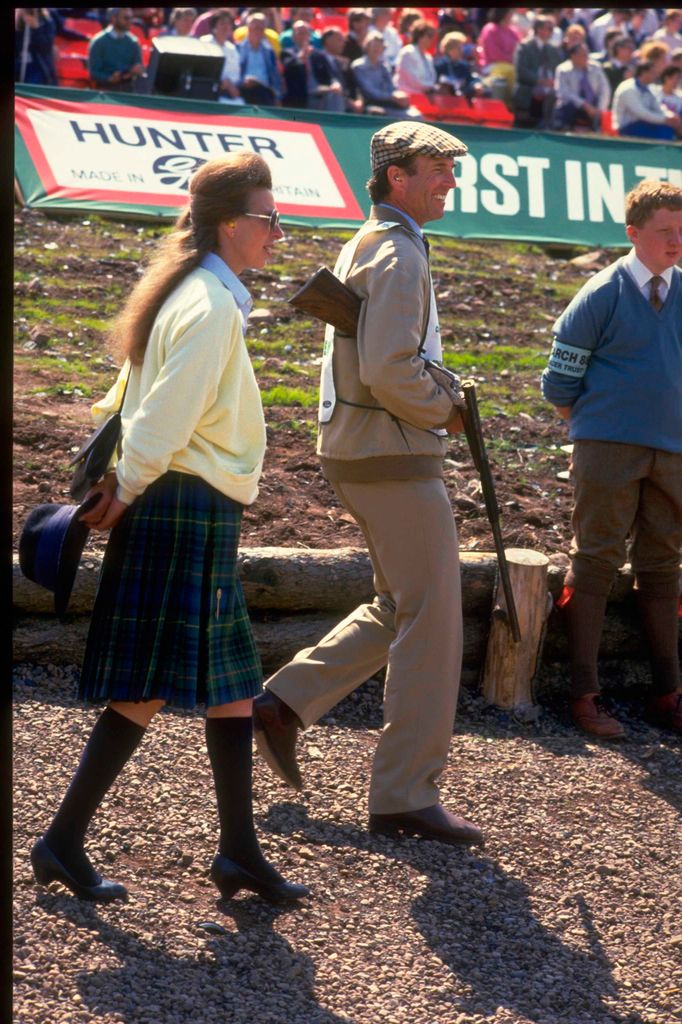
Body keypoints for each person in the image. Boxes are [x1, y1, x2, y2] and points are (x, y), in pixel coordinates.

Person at [29, 153, 310, 905]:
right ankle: (65, 841)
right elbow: (162, 413)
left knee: (228, 686)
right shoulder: (211, 303)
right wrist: (124, 487)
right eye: (267, 218)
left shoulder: (189, 290)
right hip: (181, 501)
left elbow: (124, 400)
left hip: (185, 499)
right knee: (156, 686)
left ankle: (237, 853)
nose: (277, 231)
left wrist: (126, 480)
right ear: (229, 223)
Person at [252, 121, 485, 849]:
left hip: (364, 450)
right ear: (396, 177)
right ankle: (405, 795)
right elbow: (390, 369)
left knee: (399, 605)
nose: (450, 179)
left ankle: (283, 705)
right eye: (436, 168)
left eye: (450, 167)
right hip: (392, 455)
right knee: (433, 619)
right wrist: (446, 408)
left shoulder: (375, 240)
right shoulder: (397, 251)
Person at [541, 179, 682, 739]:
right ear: (634, 234)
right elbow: (558, 381)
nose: (676, 241)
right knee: (595, 561)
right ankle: (583, 694)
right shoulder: (601, 292)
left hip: (673, 452)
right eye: (664, 231)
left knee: (664, 564)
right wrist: (590, 427)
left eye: (681, 231)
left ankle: (667, 693)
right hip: (607, 450)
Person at [512, 15, 562, 128]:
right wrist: (541, 81)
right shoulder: (524, 46)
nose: (551, 32)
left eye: (552, 29)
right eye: (548, 28)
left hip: (548, 101)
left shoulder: (552, 50)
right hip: (528, 96)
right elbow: (521, 71)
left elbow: (558, 71)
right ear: (539, 29)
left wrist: (553, 82)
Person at [612, 60, 681, 139]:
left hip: (644, 124)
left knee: (667, 128)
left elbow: (658, 107)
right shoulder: (628, 88)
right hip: (626, 128)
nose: (656, 75)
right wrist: (665, 120)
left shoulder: (649, 88)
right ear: (644, 73)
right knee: (664, 129)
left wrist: (671, 116)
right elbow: (642, 113)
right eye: (653, 73)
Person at [351, 31, 415, 114]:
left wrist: (399, 96)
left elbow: (391, 87)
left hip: (387, 102)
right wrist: (391, 97)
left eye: (379, 46)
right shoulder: (358, 66)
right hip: (369, 103)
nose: (377, 49)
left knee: (415, 114)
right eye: (374, 45)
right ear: (367, 46)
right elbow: (369, 92)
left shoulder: (383, 66)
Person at [551, 42, 611, 131]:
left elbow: (605, 89)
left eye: (587, 54)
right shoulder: (562, 70)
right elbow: (563, 92)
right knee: (567, 106)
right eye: (583, 55)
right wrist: (584, 105)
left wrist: (599, 108)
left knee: (604, 114)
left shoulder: (596, 67)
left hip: (594, 107)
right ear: (573, 56)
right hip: (574, 106)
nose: (586, 57)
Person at [88, 7, 144, 92]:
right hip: (104, 91)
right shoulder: (98, 42)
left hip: (128, 90)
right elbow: (94, 73)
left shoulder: (133, 42)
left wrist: (134, 71)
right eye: (126, 18)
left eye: (131, 18)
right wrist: (109, 78)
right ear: (113, 18)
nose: (130, 22)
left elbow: (138, 66)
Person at [309, 27, 362, 113]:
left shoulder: (340, 62)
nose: (343, 43)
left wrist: (356, 101)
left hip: (342, 100)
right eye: (339, 39)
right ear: (328, 41)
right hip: (323, 98)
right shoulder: (316, 57)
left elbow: (351, 87)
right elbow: (318, 83)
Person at [237, 10, 283, 105]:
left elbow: (274, 75)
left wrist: (277, 94)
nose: (258, 31)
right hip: (243, 89)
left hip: (264, 92)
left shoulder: (269, 51)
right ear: (248, 28)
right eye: (255, 28)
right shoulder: (237, 49)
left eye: (261, 28)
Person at [200, 8, 243, 105]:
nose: (226, 26)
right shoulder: (204, 43)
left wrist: (229, 84)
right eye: (222, 23)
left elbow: (235, 75)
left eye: (229, 23)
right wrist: (222, 81)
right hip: (206, 90)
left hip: (227, 92)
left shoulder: (232, 49)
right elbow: (202, 69)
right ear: (214, 26)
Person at [435, 31, 486, 101]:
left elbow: (470, 79)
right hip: (443, 102)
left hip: (461, 101)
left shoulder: (463, 65)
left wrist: (476, 84)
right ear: (450, 49)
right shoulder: (440, 65)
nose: (461, 51)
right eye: (459, 48)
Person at [393, 19, 439, 96]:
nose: (432, 39)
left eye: (432, 36)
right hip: (407, 96)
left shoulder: (428, 58)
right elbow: (413, 81)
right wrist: (432, 87)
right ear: (420, 36)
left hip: (424, 96)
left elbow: (432, 79)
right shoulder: (407, 53)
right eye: (429, 35)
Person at [15, 8, 58, 85]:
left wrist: (36, 28)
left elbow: (45, 47)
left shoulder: (47, 22)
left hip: (38, 67)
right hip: (19, 65)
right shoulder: (18, 22)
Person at [601, 34, 636, 100]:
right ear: (619, 49)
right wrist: (624, 80)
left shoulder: (631, 68)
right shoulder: (607, 68)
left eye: (632, 48)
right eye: (629, 48)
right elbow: (608, 91)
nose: (631, 51)